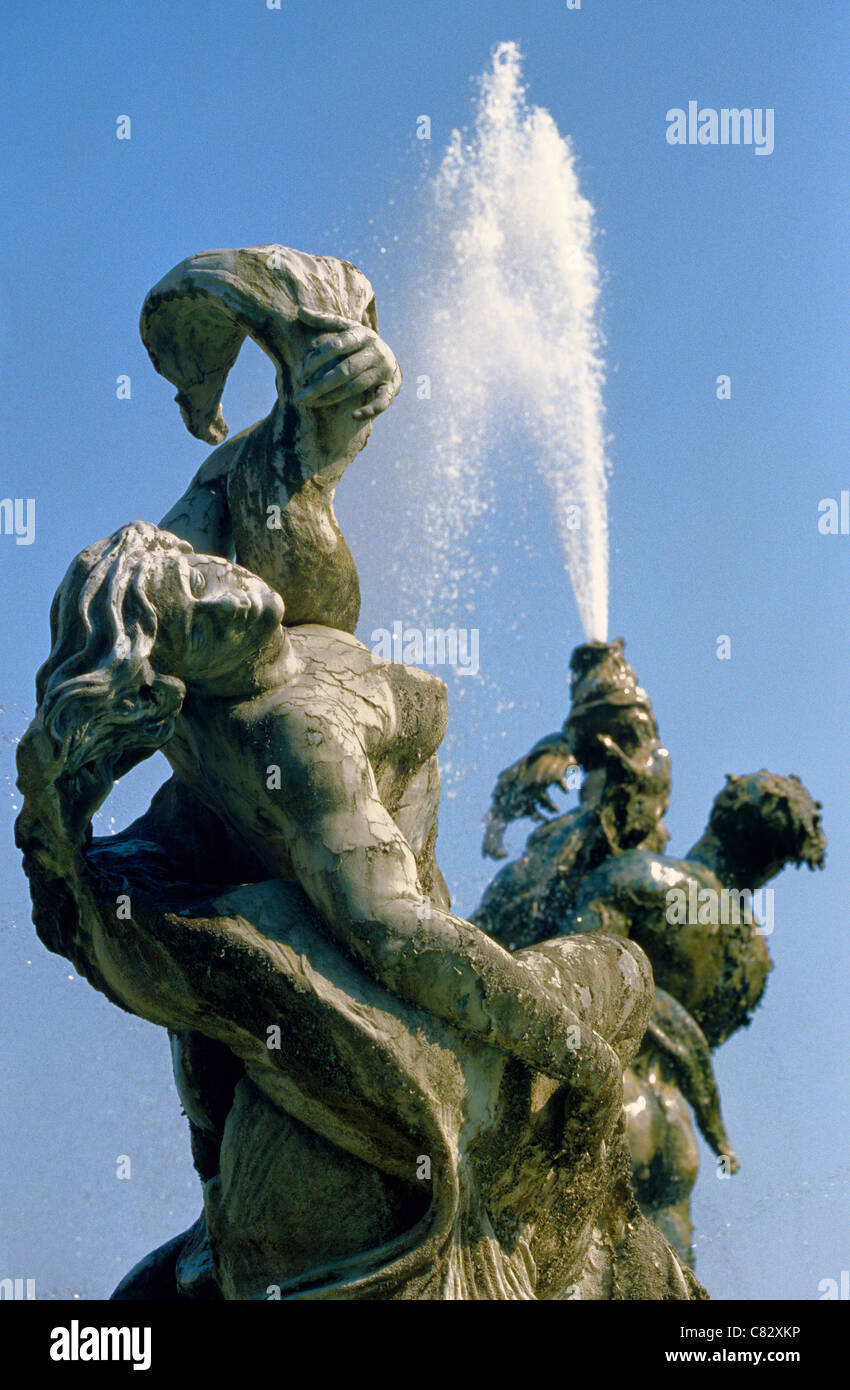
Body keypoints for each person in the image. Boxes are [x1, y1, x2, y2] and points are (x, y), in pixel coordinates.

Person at [17, 523, 701, 1299]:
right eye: (194, 621)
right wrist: (580, 1053)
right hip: (408, 1009)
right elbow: (400, 936)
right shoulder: (296, 735)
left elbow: (281, 461)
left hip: (341, 973)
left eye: (197, 571)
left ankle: (213, 1193)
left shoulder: (232, 702)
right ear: (173, 680)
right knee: (625, 967)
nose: (222, 593)